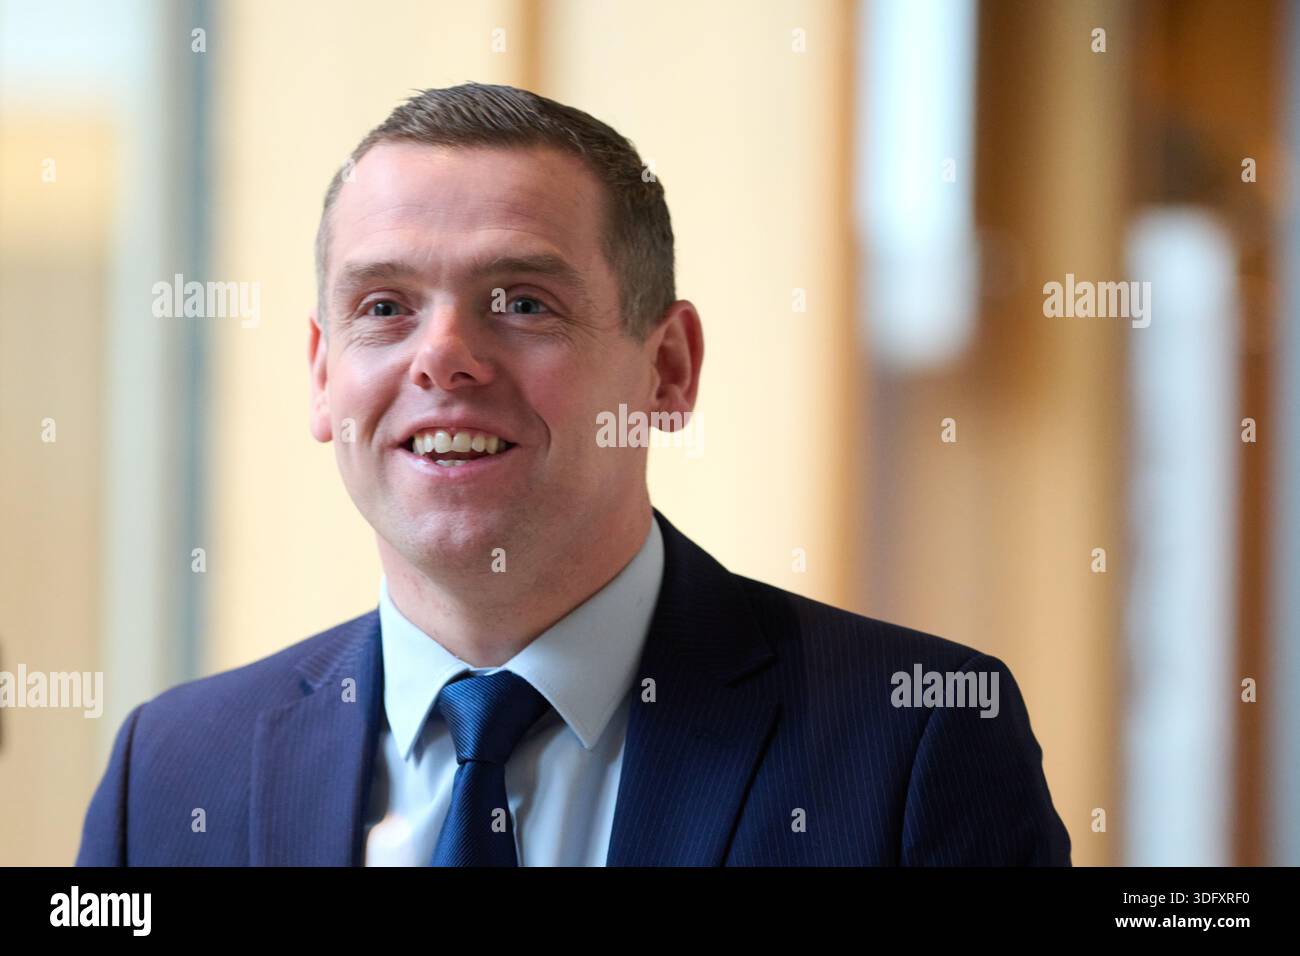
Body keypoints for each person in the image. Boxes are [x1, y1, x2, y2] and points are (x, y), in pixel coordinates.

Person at [76, 82, 1071, 866]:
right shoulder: (169, 770)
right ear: (323, 376)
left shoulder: (914, 740)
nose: (443, 358)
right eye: (383, 306)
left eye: (520, 300)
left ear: (667, 367)